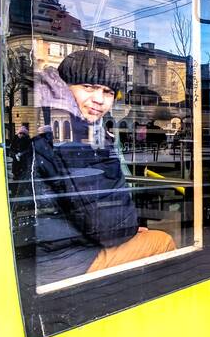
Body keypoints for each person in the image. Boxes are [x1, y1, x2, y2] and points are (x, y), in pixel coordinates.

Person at [22, 49, 177, 285]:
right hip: (62, 262)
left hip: (54, 252)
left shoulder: (61, 129)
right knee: (162, 241)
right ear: (66, 87)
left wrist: (126, 228)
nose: (99, 99)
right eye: (88, 87)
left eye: (107, 92)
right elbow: (109, 227)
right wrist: (127, 229)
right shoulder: (72, 136)